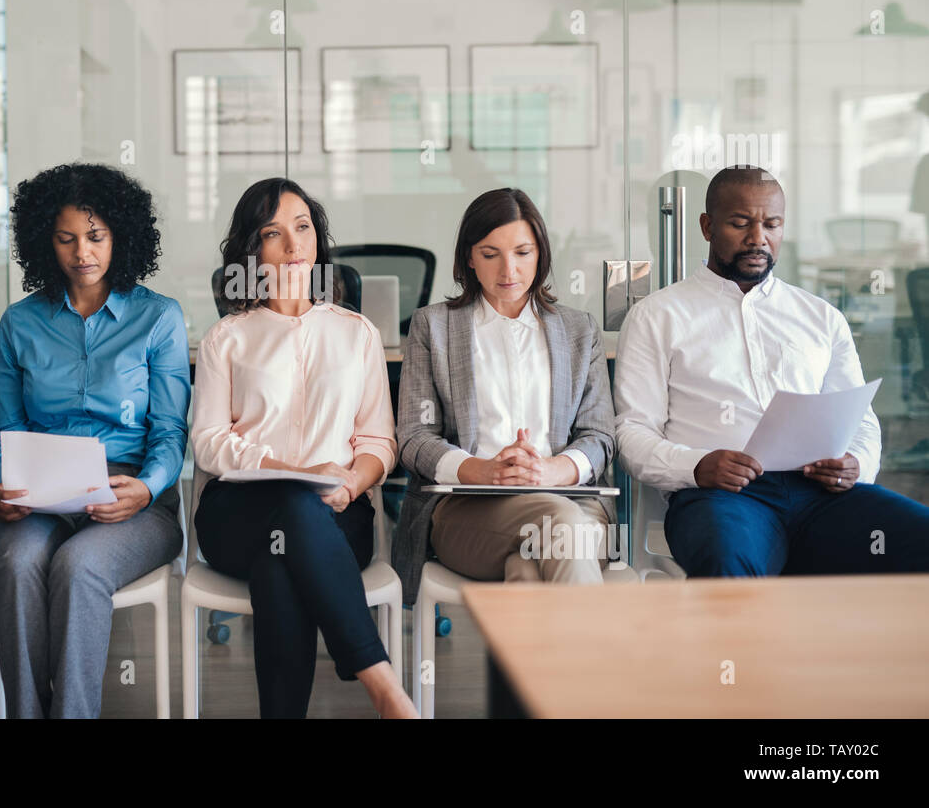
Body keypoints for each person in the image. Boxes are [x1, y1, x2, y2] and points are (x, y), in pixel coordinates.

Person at [613, 164, 929, 577]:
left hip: (823, 498)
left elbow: (862, 422)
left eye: (772, 225)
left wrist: (856, 463)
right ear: (707, 227)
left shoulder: (820, 317)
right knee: (728, 563)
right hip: (722, 499)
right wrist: (696, 465)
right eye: (740, 224)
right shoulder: (656, 316)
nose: (758, 239)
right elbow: (631, 432)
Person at [191, 178, 417, 719]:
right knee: (292, 505)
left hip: (337, 516)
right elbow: (208, 442)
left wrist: (351, 482)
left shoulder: (357, 333)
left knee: (280, 564)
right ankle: (384, 686)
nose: (294, 246)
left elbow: (378, 441)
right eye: (274, 234)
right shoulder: (228, 336)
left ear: (317, 240)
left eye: (303, 228)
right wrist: (290, 469)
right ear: (252, 250)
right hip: (236, 515)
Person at [0, 164, 189, 719]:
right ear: (43, 242)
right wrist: (3, 483)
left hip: (133, 499)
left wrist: (145, 489)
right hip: (40, 495)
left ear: (120, 236)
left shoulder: (159, 318)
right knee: (19, 561)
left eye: (95, 236)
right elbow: (5, 433)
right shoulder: (19, 324)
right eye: (66, 238)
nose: (82, 252)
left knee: (79, 566)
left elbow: (171, 433)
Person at [393, 188, 617, 608]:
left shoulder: (579, 330)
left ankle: (528, 675)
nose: (508, 269)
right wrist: (482, 470)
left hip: (572, 501)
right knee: (562, 527)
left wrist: (553, 471)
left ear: (541, 255)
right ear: (469, 258)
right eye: (490, 253)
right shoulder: (433, 327)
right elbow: (413, 437)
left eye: (522, 252)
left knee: (528, 568)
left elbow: (599, 435)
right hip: (468, 512)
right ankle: (594, 671)